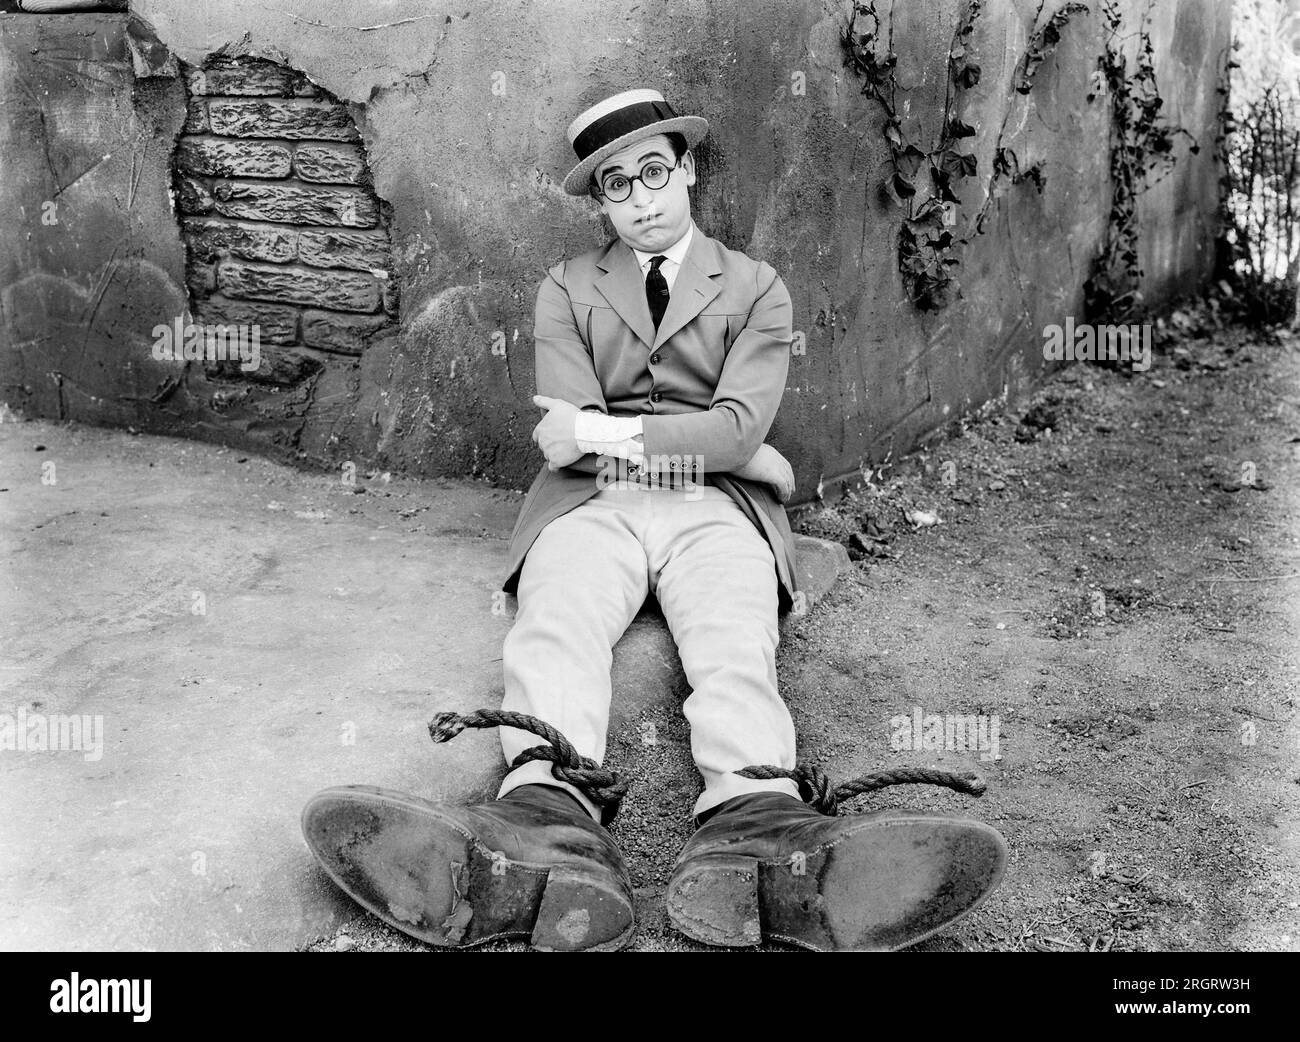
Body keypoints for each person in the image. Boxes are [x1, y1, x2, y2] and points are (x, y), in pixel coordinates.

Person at [302, 88, 1007, 952]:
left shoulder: (757, 288)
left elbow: (716, 426)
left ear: (687, 168)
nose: (639, 200)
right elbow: (568, 441)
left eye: (652, 173)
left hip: (715, 509)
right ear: (598, 200)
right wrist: (725, 446)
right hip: (590, 504)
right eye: (614, 186)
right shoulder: (566, 288)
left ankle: (758, 825)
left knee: (733, 636)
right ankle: (541, 821)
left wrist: (699, 445)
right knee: (555, 620)